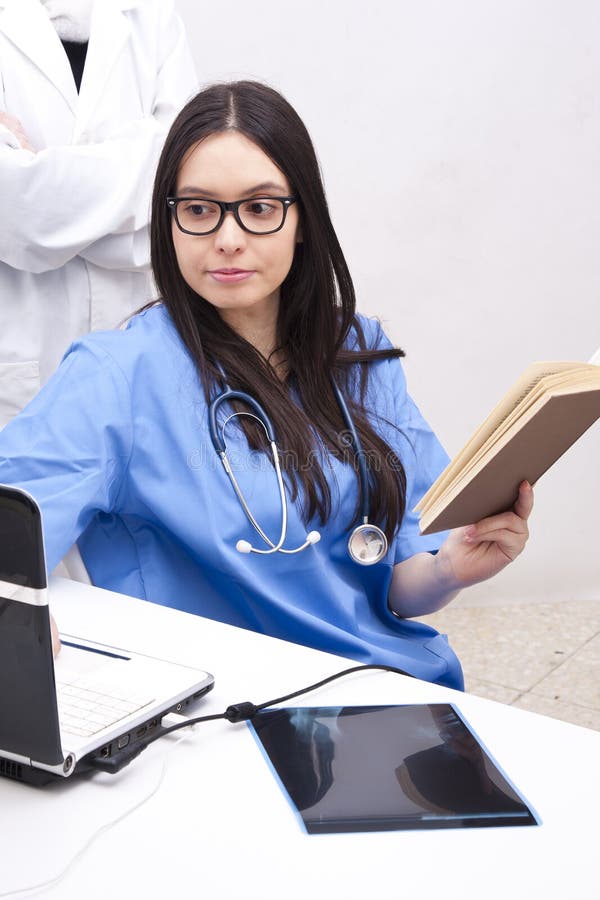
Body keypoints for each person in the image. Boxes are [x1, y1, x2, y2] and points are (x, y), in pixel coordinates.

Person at [0, 81, 533, 689]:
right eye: (199, 210)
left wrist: (452, 570)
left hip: (384, 686)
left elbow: (399, 586)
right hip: (217, 710)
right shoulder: (117, 375)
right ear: (168, 223)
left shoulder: (357, 351)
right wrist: (23, 617)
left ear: (302, 219)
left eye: (259, 208)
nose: (228, 238)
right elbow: (12, 524)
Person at [0, 0, 197, 427]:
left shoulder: (155, 20)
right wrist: (136, 184)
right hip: (17, 372)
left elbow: (185, 190)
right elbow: (15, 210)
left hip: (134, 354)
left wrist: (42, 188)